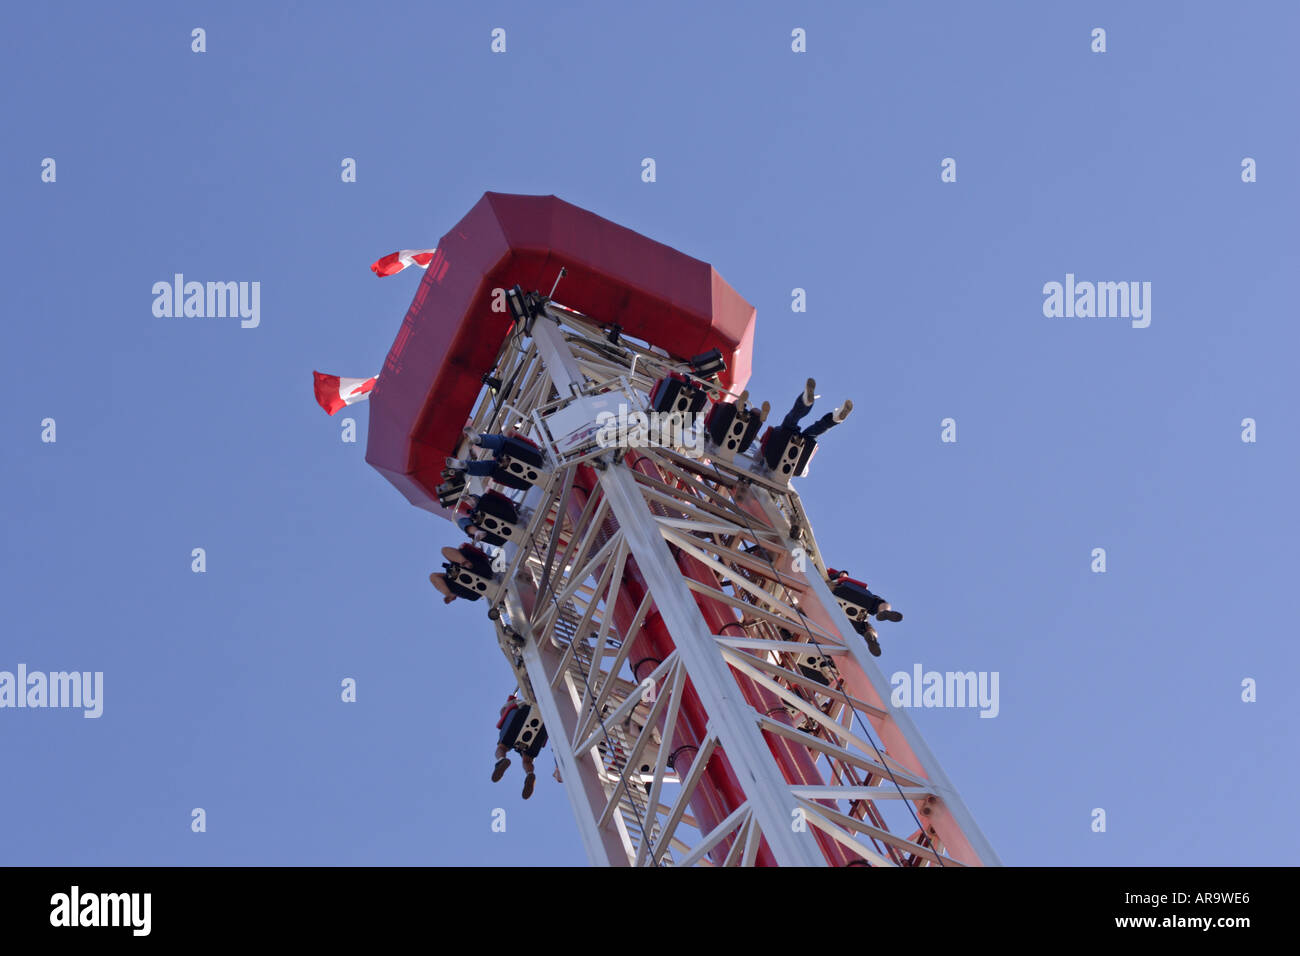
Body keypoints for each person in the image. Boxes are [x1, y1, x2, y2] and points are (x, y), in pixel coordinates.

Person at [492, 694, 540, 799]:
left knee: (502, 747)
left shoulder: (513, 705)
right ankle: (530, 773)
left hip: (519, 716)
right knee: (527, 759)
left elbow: (504, 711)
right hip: (541, 727)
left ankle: (501, 759)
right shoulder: (541, 707)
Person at [781, 377, 852, 439]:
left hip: (780, 439)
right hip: (799, 446)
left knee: (792, 423)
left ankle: (835, 419)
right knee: (794, 420)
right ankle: (805, 401)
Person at [428, 544, 495, 604]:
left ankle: (465, 563)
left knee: (444, 551)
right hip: (469, 589)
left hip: (479, 569)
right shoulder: (465, 550)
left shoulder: (467, 551)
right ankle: (449, 594)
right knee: (433, 576)